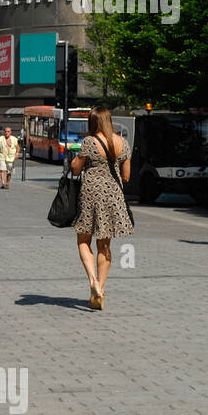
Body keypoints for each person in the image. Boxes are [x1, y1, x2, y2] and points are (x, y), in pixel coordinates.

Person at [69, 107, 134, 310]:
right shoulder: (122, 143)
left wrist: (79, 158)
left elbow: (75, 168)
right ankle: (101, 290)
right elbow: (126, 176)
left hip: (91, 194)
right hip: (113, 196)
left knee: (83, 240)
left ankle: (93, 281)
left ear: (93, 121)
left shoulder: (89, 142)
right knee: (104, 245)